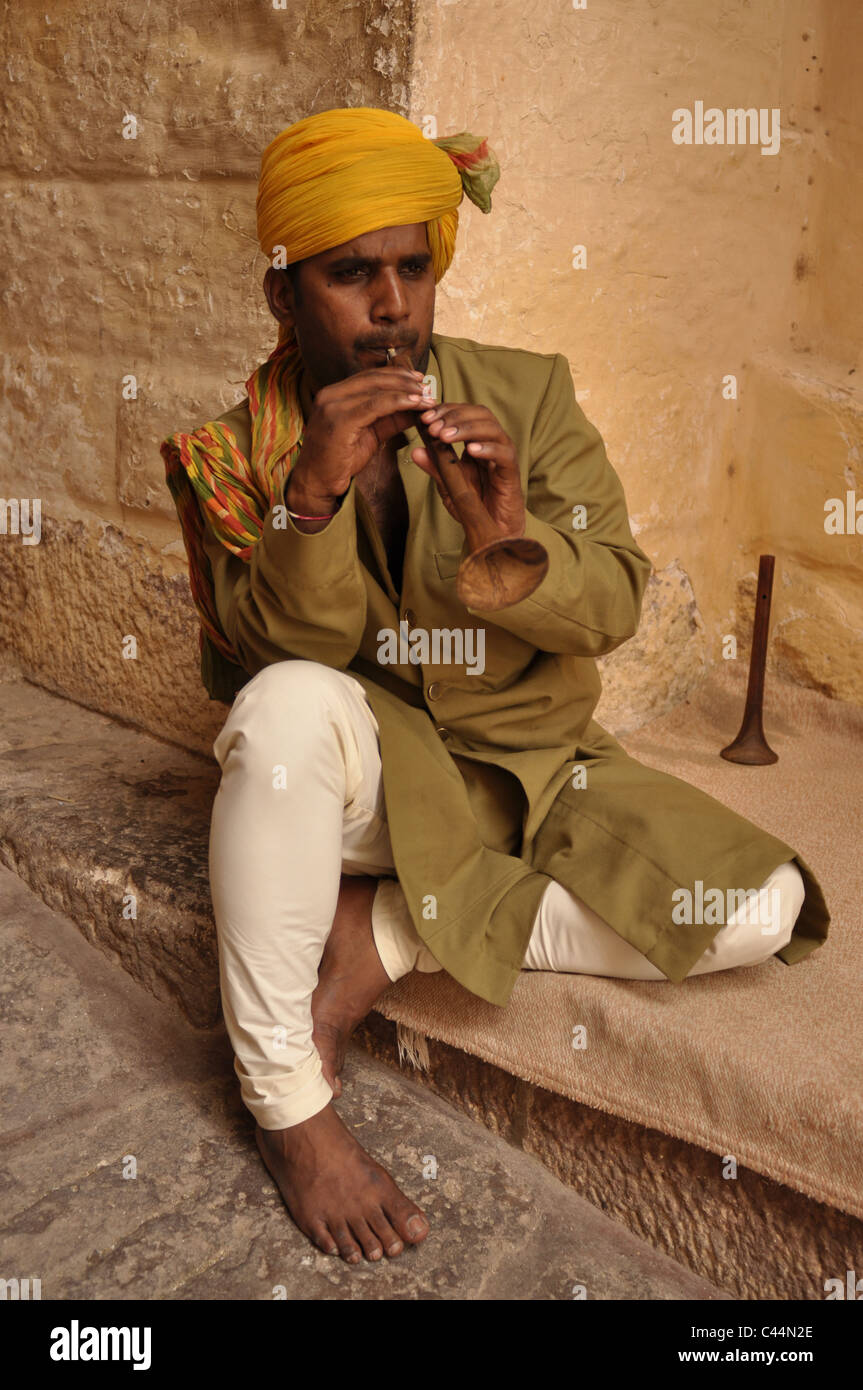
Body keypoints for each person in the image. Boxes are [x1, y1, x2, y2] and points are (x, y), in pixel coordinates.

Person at [161, 107, 830, 1267]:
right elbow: (255, 657)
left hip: (537, 773)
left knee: (756, 909)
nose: (390, 306)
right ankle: (287, 1104)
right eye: (349, 275)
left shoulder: (526, 397)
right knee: (279, 717)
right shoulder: (236, 455)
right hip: (382, 780)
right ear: (284, 295)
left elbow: (613, 600)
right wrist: (309, 497)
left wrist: (510, 543)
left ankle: (399, 928)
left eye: (412, 268)